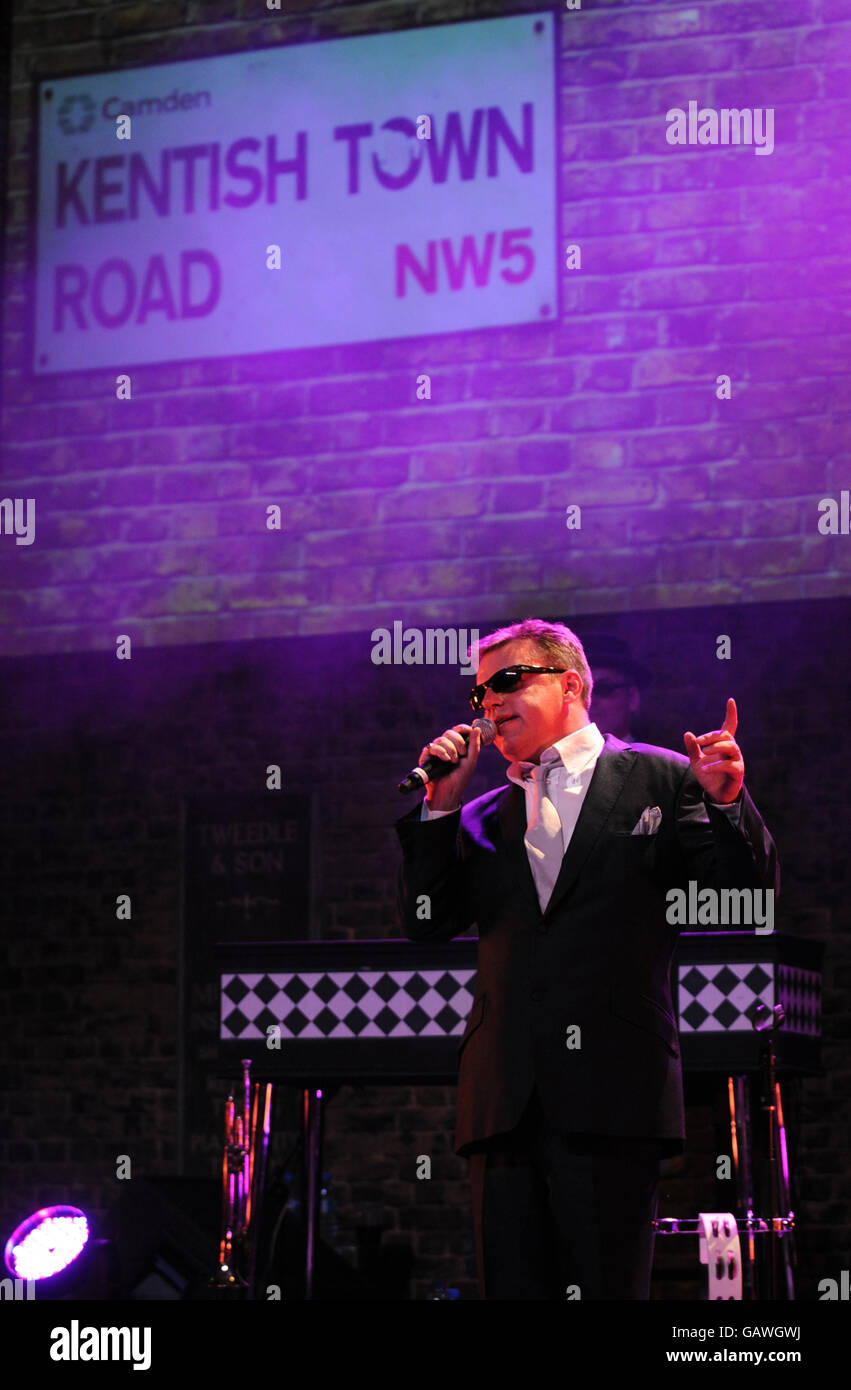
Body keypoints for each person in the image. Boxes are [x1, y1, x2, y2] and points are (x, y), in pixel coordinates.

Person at [395, 618, 779, 1300]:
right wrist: (438, 811)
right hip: (505, 1099)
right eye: (478, 693)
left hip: (612, 1093)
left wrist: (727, 805)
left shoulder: (662, 779)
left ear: (569, 683)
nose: (487, 704)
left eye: (507, 681)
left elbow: (743, 899)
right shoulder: (483, 815)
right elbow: (427, 924)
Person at [582, 632, 650, 742]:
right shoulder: (550, 758)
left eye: (603, 688)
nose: (590, 701)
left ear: (633, 698)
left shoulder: (659, 758)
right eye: (581, 691)